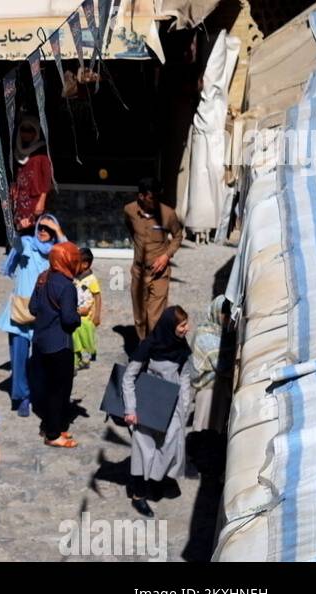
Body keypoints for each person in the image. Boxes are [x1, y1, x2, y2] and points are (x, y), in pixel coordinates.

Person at [123, 306, 193, 517]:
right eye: (182, 325)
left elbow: (185, 377)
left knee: (170, 445)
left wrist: (184, 404)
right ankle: (139, 495)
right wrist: (130, 409)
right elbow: (129, 377)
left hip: (172, 406)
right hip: (148, 405)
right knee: (144, 450)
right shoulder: (149, 347)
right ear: (171, 326)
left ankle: (157, 479)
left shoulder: (181, 348)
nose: (186, 329)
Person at [0, 215, 68, 417]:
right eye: (41, 227)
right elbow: (14, 244)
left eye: (48, 228)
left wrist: (60, 232)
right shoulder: (27, 245)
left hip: (45, 315)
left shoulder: (57, 252)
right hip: (20, 312)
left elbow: (74, 257)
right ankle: (22, 397)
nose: (43, 231)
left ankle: (39, 393)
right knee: (18, 359)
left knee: (41, 360)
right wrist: (19, 229)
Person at [29, 242, 82, 448]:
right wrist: (79, 316)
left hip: (41, 342)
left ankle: (52, 425)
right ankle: (52, 434)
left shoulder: (43, 277)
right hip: (60, 345)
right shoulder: (67, 286)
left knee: (48, 388)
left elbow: (33, 307)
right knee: (59, 390)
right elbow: (69, 319)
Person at [124, 178, 184, 340]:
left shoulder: (168, 214)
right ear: (141, 196)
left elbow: (178, 237)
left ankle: (154, 352)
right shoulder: (129, 210)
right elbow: (130, 229)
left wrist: (166, 256)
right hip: (139, 272)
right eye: (152, 198)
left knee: (155, 317)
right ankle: (143, 349)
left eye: (158, 197)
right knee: (140, 317)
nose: (155, 201)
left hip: (159, 273)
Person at [190, 295, 234, 433]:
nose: (227, 319)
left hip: (222, 390)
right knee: (203, 428)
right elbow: (221, 365)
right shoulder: (204, 335)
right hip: (207, 390)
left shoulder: (228, 334)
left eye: (229, 315)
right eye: (224, 314)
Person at [10, 116, 53, 234]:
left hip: (35, 198)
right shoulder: (18, 152)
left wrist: (42, 201)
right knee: (20, 228)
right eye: (23, 130)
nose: (26, 134)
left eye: (30, 131)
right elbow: (16, 174)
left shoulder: (42, 152)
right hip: (21, 198)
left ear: (36, 132)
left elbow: (47, 179)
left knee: (34, 228)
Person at [72, 247, 102, 370]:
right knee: (74, 337)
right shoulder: (75, 276)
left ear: (85, 264)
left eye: (76, 262)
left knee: (86, 337)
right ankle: (75, 362)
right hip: (75, 313)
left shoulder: (91, 280)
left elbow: (98, 296)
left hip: (87, 317)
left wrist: (97, 315)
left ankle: (87, 356)